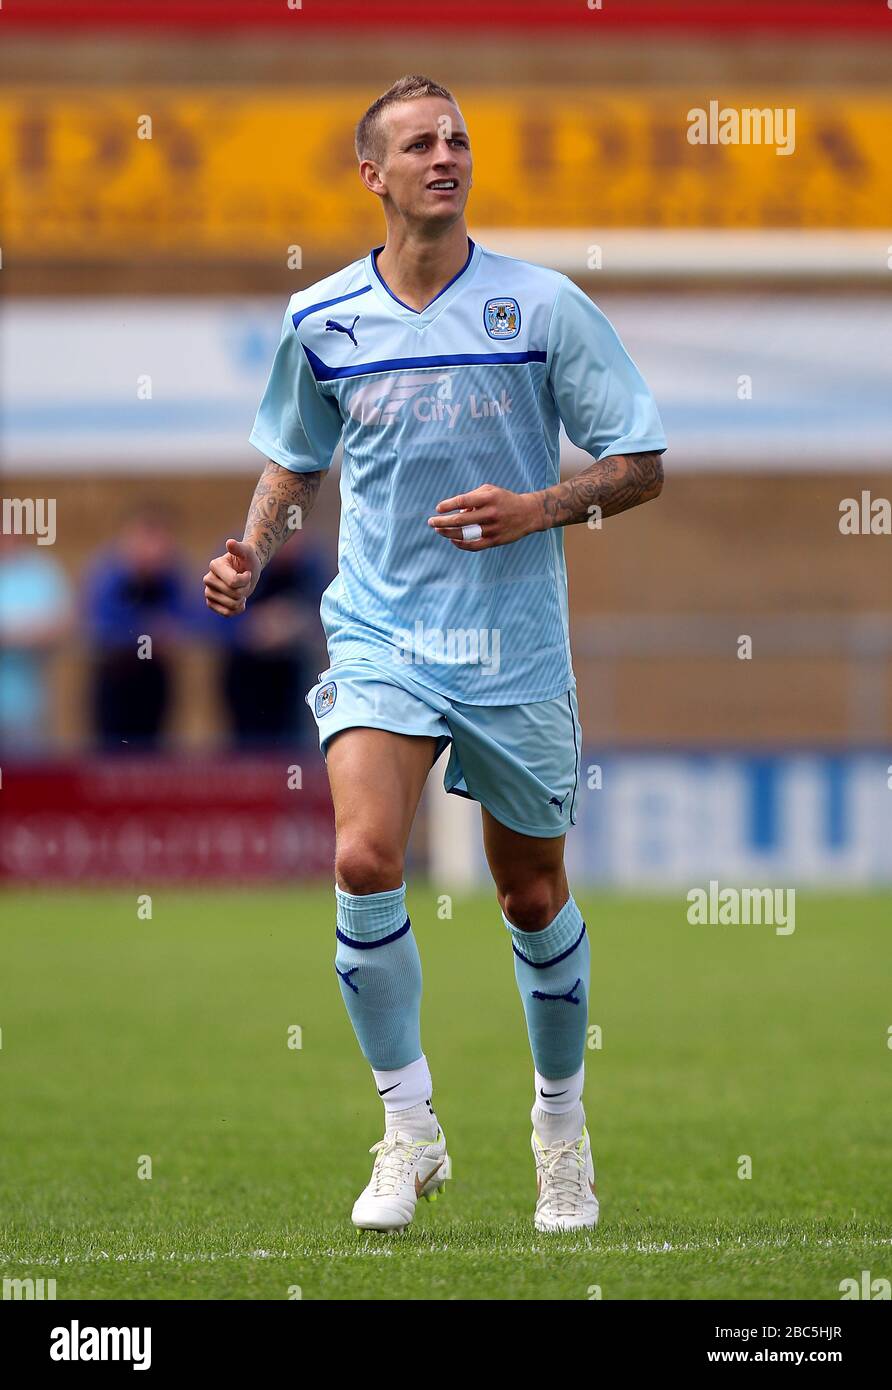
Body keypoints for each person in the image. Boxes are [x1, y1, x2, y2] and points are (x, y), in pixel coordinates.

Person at [203, 75, 666, 1233]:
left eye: (458, 138)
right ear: (374, 174)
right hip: (383, 634)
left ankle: (559, 1132)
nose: (445, 155)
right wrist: (252, 551)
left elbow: (642, 462)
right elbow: (292, 460)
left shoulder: (543, 307)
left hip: (511, 647)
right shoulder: (323, 319)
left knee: (530, 890)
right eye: (419, 143)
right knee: (364, 857)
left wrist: (537, 507)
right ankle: (408, 1130)